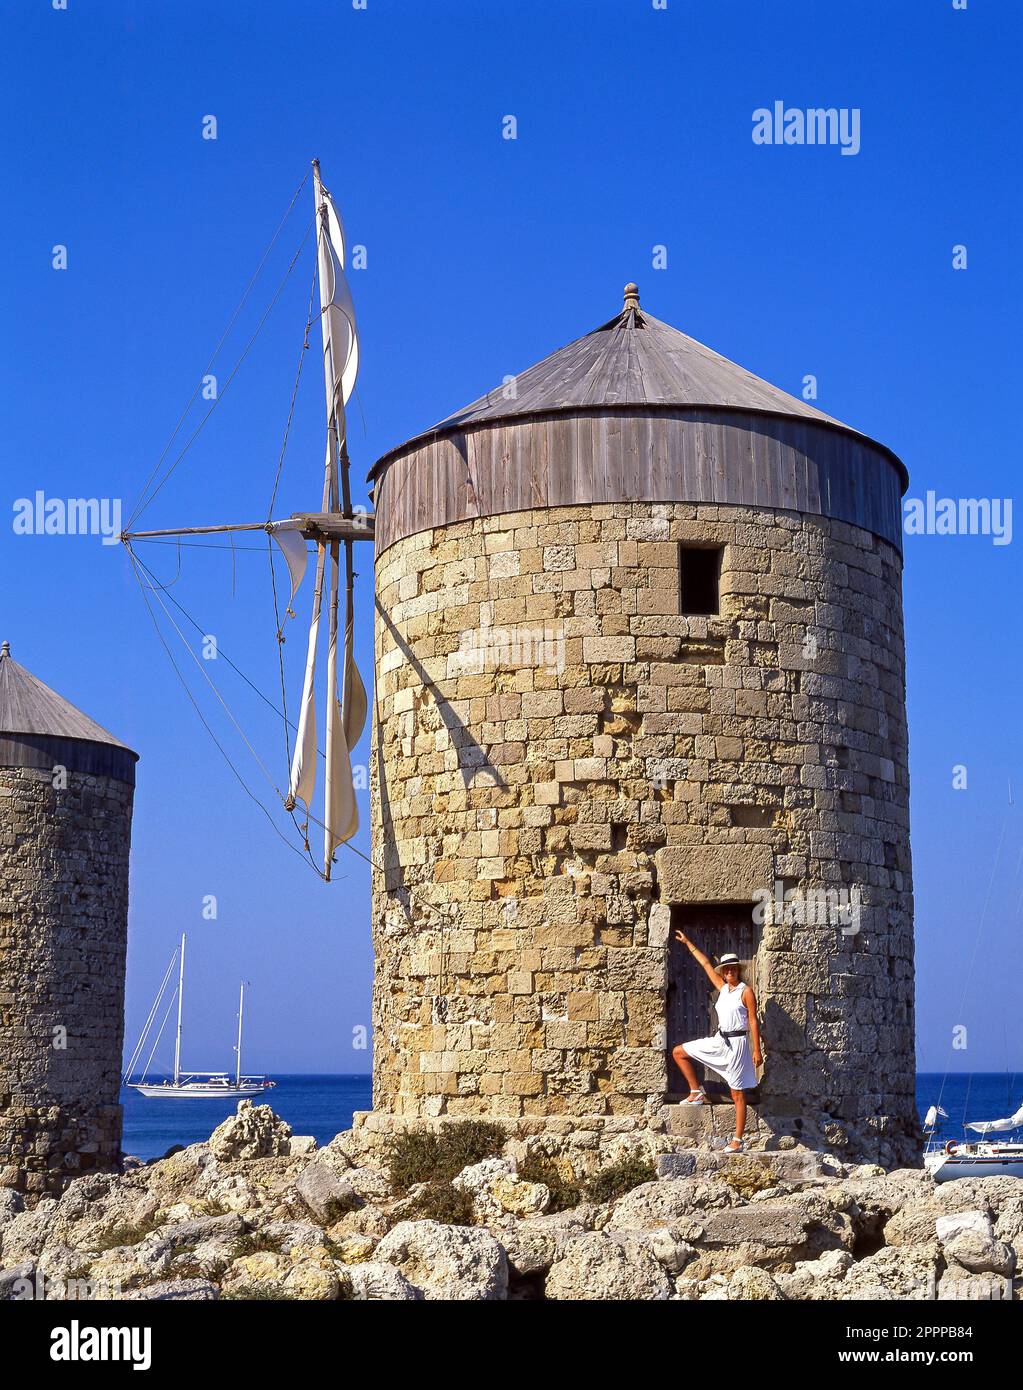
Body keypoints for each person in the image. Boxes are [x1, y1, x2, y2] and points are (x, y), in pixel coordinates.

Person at [671, 933, 763, 1152]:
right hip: (720, 1041)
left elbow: (752, 1020)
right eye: (726, 969)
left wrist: (757, 1049)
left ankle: (738, 1141)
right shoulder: (722, 989)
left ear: (738, 970)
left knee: (737, 1094)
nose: (729, 971)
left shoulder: (746, 991)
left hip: (738, 1046)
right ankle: (696, 1092)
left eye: (733, 968)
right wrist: (688, 943)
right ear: (723, 971)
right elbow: (704, 963)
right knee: (678, 1052)